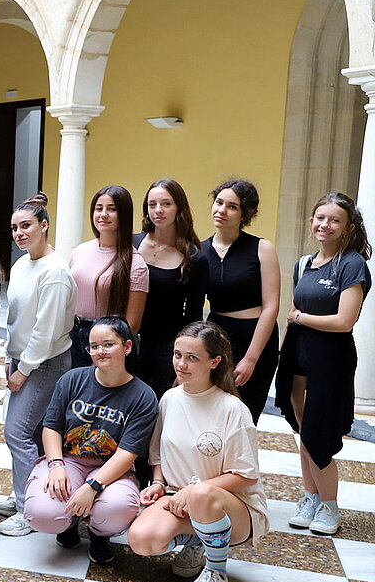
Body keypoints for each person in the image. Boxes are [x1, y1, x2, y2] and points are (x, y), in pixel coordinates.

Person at [128, 321, 268, 582]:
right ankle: (199, 544)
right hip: (180, 498)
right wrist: (157, 483)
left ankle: (216, 573)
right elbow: (157, 455)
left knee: (202, 495)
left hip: (233, 508)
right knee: (142, 540)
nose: (182, 364)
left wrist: (194, 492)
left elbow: (245, 476)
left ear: (215, 362)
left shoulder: (233, 408)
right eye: (178, 355)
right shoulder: (169, 398)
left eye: (193, 358)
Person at [24, 316, 157, 563]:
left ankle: (99, 534)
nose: (100, 351)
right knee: (40, 512)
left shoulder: (143, 396)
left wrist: (92, 486)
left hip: (113, 469)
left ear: (127, 347)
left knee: (116, 509)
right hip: (70, 461)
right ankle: (68, 523)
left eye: (108, 344)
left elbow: (127, 454)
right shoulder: (72, 379)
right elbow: (51, 427)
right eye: (94, 346)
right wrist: (55, 465)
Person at [276, 192, 372, 535]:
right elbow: (290, 315)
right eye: (320, 218)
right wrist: (283, 350)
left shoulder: (352, 265)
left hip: (331, 359)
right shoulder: (304, 263)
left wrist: (301, 317)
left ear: (347, 228)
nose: (325, 225)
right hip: (297, 357)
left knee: (318, 433)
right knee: (303, 431)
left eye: (334, 220)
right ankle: (310, 497)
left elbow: (344, 321)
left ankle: (329, 505)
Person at [0, 194, 78, 538]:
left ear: (44, 226)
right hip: (23, 359)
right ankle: (28, 493)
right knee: (28, 434)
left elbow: (45, 332)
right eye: (14, 227)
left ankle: (26, 507)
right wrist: (9, 356)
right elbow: (15, 319)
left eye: (26, 225)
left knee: (17, 433)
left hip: (45, 363)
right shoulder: (21, 265)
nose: (19, 233)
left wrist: (23, 369)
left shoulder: (56, 271)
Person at [202, 179, 280, 424]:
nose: (221, 210)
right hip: (216, 337)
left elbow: (271, 306)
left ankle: (241, 464)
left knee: (244, 418)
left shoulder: (261, 248)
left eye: (232, 206)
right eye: (218, 202)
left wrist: (251, 358)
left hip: (255, 337)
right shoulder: (198, 250)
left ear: (245, 214)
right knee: (213, 416)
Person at [132, 179, 207, 396]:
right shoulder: (132, 243)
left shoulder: (194, 258)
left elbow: (193, 316)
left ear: (179, 209)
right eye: (152, 204)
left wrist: (185, 361)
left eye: (166, 204)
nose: (158, 210)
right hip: (130, 340)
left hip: (167, 348)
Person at [68, 186, 148, 368]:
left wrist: (105, 344)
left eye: (112, 209)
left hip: (106, 341)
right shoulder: (81, 250)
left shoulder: (135, 263)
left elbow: (132, 325)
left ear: (124, 214)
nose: (103, 214)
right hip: (72, 334)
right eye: (99, 208)